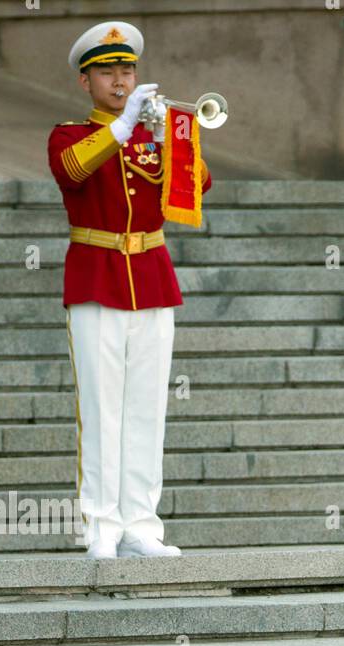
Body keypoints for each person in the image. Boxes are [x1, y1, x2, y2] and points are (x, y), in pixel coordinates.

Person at [48, 22, 212, 558]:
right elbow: (72, 170)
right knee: (101, 408)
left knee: (146, 409)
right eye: (107, 72)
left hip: (152, 275)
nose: (120, 81)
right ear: (85, 80)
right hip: (96, 274)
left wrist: (170, 137)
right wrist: (120, 127)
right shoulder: (71, 134)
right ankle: (101, 527)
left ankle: (141, 524)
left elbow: (198, 187)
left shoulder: (151, 135)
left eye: (127, 71)